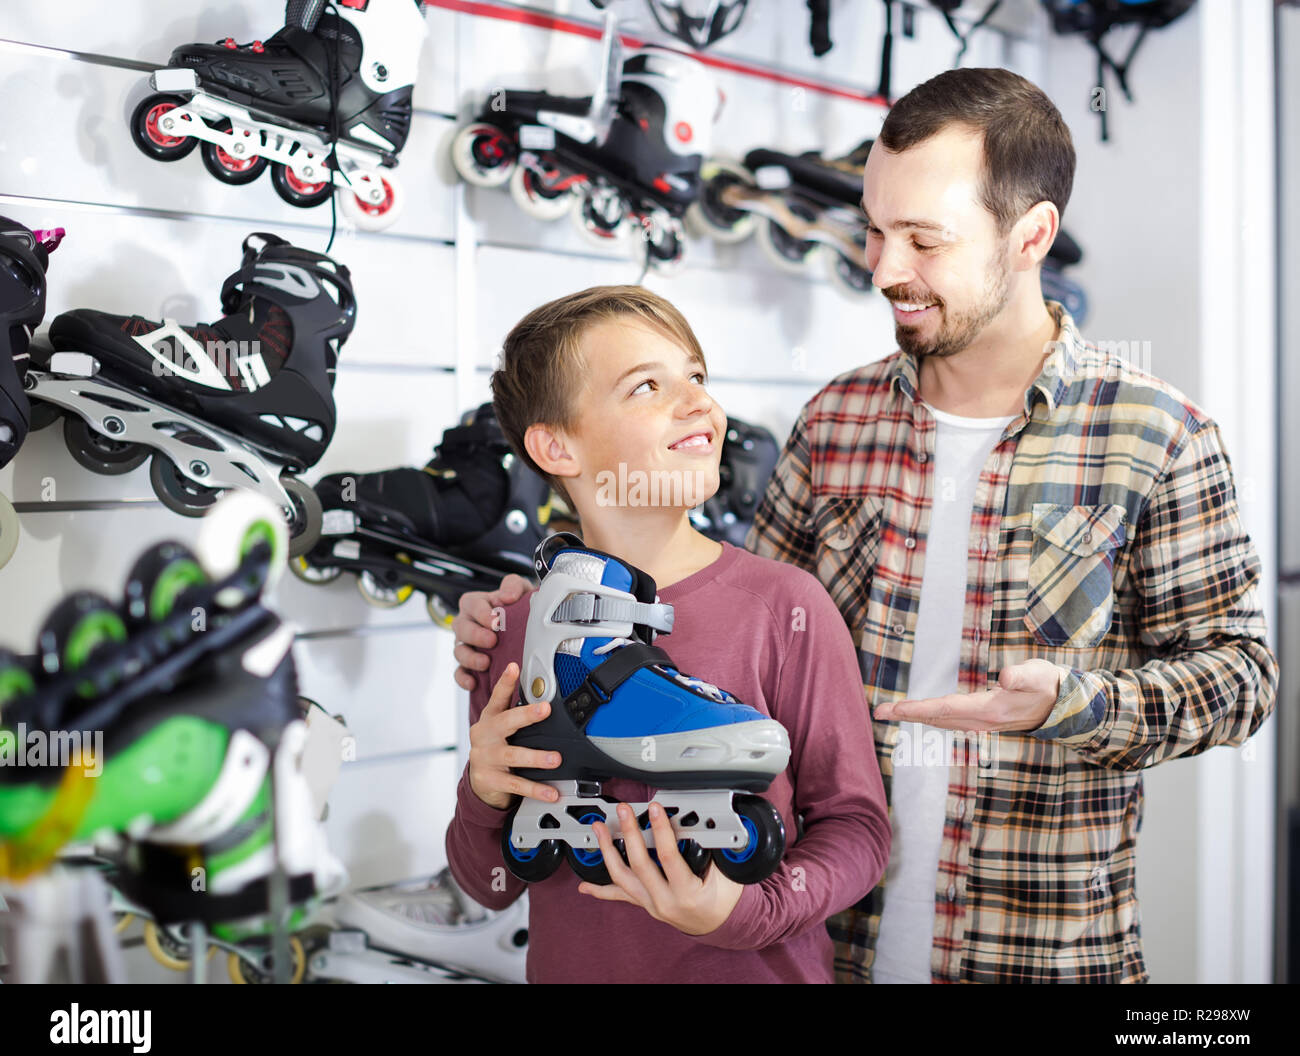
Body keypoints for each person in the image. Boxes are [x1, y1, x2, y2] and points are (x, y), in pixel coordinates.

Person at [452, 67, 1279, 984]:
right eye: (877, 229)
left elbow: (1243, 677)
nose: (883, 268)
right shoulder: (836, 420)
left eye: (923, 240)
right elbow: (715, 627)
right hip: (823, 947)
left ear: (1030, 236)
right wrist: (544, 611)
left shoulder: (1156, 435)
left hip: (1034, 951)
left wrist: (1071, 706)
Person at [443, 285, 890, 984]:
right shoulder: (518, 633)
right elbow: (491, 882)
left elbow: (858, 829)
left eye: (698, 376)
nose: (698, 404)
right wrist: (483, 792)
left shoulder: (785, 607)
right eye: (647, 385)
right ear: (556, 444)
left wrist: (742, 912)